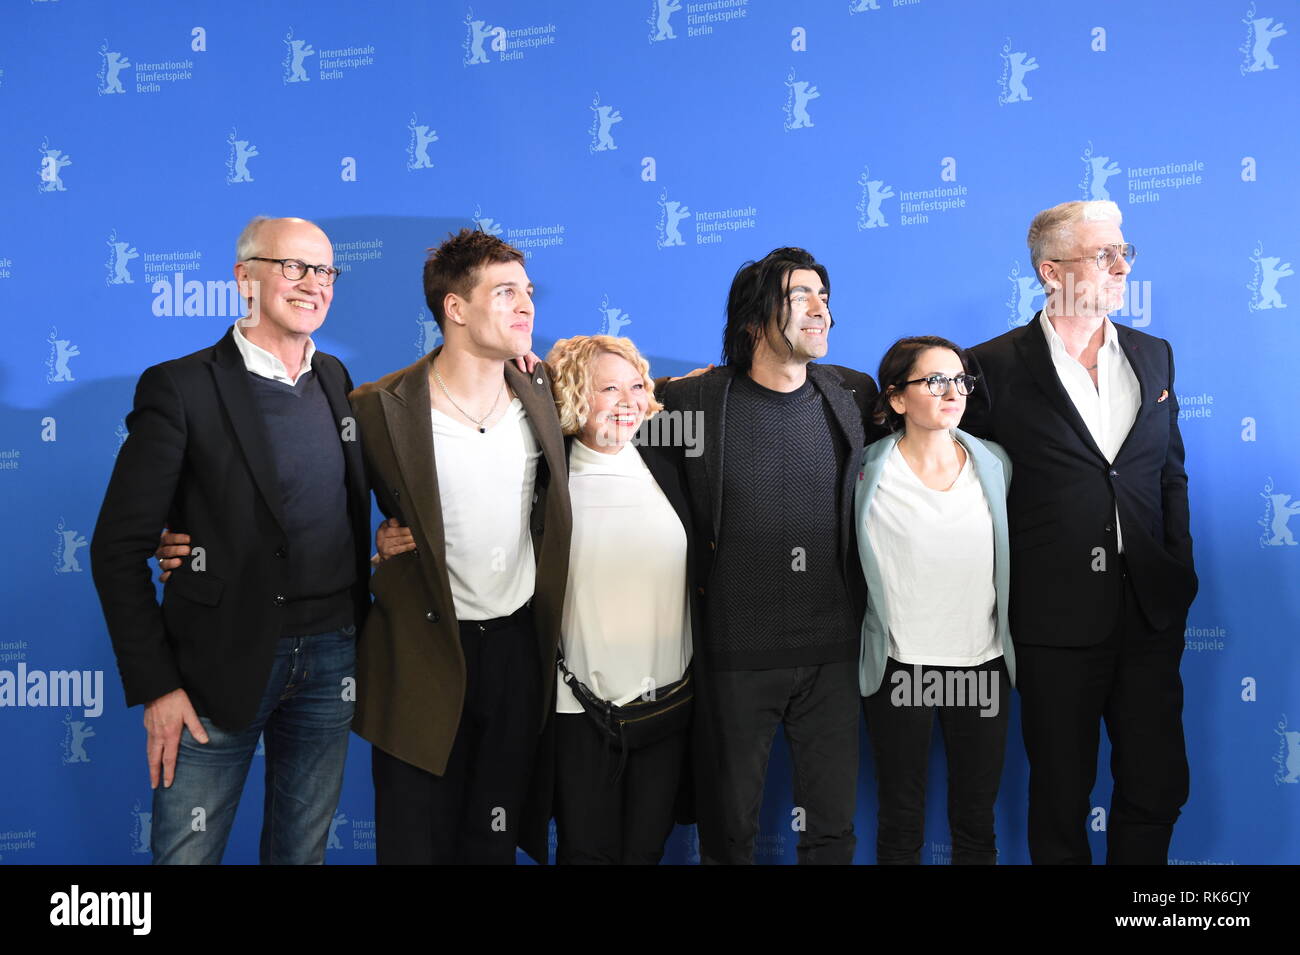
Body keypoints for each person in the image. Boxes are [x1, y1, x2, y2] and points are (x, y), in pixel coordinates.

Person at [91, 216, 371, 864]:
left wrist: (511, 361)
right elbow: (115, 547)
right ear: (245, 277)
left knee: (301, 854)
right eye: (293, 267)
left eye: (325, 270)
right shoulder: (182, 386)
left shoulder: (336, 380)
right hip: (215, 663)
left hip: (332, 657)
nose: (313, 284)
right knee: (187, 855)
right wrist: (158, 686)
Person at [963, 200, 1197, 865]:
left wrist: (1178, 572)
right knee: (1061, 795)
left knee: (1157, 784)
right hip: (1052, 621)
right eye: (1104, 254)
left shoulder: (1154, 355)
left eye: (1125, 251)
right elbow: (964, 489)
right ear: (1050, 270)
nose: (1123, 265)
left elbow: (1169, 475)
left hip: (1151, 612)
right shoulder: (991, 366)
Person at [350, 228, 572, 864]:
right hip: (419, 651)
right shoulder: (374, 407)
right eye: (505, 293)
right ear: (455, 308)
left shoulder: (544, 391)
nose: (526, 305)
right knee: (415, 843)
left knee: (492, 843)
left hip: (515, 650)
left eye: (527, 292)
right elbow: (316, 507)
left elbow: (630, 397)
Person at [656, 247, 880, 864]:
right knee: (730, 834)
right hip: (734, 653)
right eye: (801, 296)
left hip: (832, 652)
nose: (821, 311)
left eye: (825, 297)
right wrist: (529, 374)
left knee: (833, 832)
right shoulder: (690, 404)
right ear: (755, 320)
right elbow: (601, 419)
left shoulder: (851, 394)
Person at [503, 334, 699, 864]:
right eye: (607, 389)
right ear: (571, 396)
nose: (628, 401)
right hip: (580, 713)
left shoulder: (669, 464)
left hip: (666, 705)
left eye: (636, 386)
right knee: (586, 852)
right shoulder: (545, 479)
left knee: (646, 850)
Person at [854, 336, 1015, 865]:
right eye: (934, 380)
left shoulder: (994, 464)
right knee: (900, 822)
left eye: (960, 380)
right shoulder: (864, 471)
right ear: (897, 399)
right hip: (901, 667)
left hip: (982, 664)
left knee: (976, 823)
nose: (952, 391)